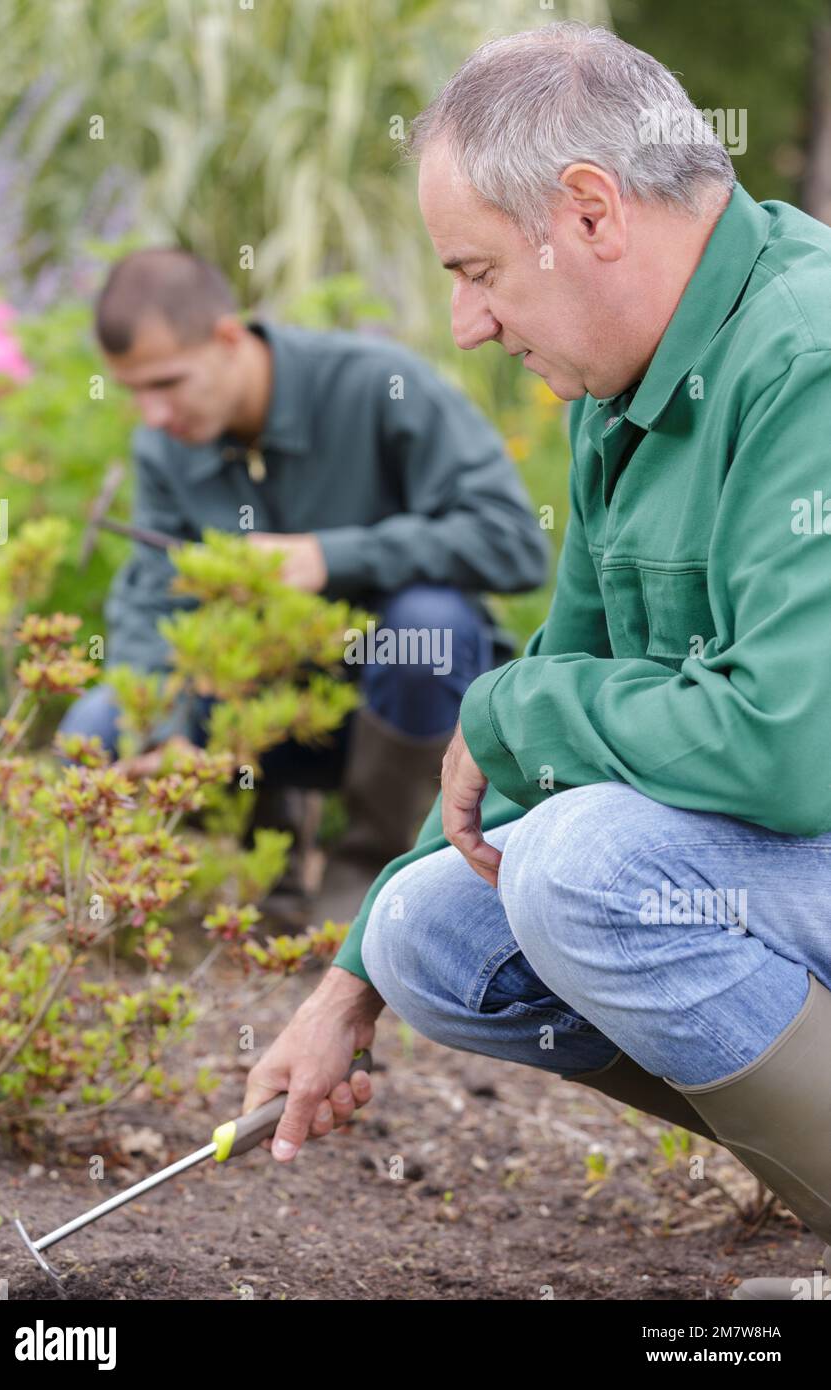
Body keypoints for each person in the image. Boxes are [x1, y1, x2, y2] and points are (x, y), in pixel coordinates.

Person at [241, 23, 831, 1302]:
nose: (464, 324)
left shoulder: (806, 356)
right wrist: (344, 986)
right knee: (426, 935)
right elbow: (560, 688)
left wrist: (520, 707)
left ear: (588, 210)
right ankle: (814, 1165)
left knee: (582, 870)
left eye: (478, 270)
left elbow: (789, 750)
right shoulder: (622, 386)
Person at [59, 248, 549, 922]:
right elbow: (150, 605)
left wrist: (333, 557)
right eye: (134, 390)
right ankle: (228, 884)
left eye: (167, 382)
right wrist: (164, 725)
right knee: (98, 723)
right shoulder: (165, 446)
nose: (153, 414)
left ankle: (384, 877)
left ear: (228, 337)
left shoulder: (377, 385)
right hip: (260, 722)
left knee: (428, 623)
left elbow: (514, 543)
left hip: (404, 708)